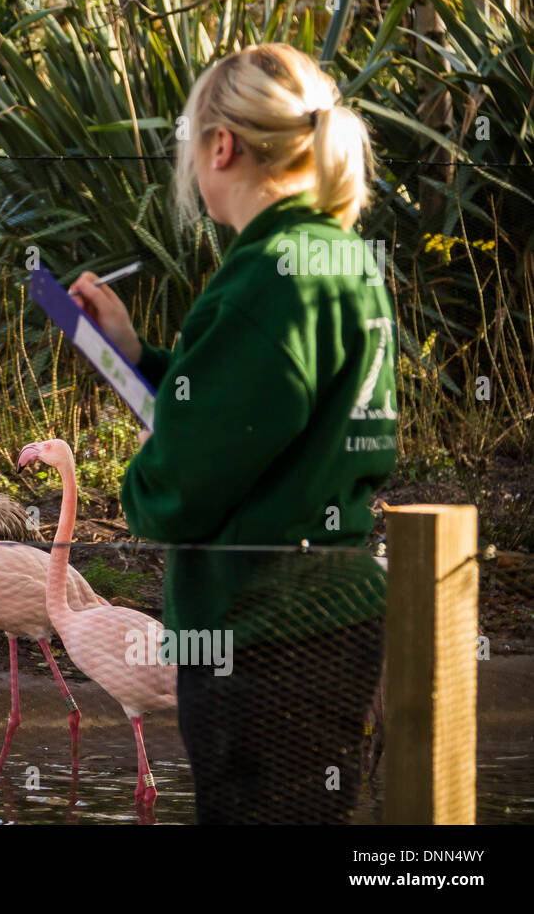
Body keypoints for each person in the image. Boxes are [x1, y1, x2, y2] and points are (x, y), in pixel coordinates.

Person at [69, 44, 397, 823]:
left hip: (264, 630)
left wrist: (141, 485)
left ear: (223, 145)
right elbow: (255, 417)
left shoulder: (267, 276)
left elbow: (181, 486)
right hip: (334, 608)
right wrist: (140, 359)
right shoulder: (339, 254)